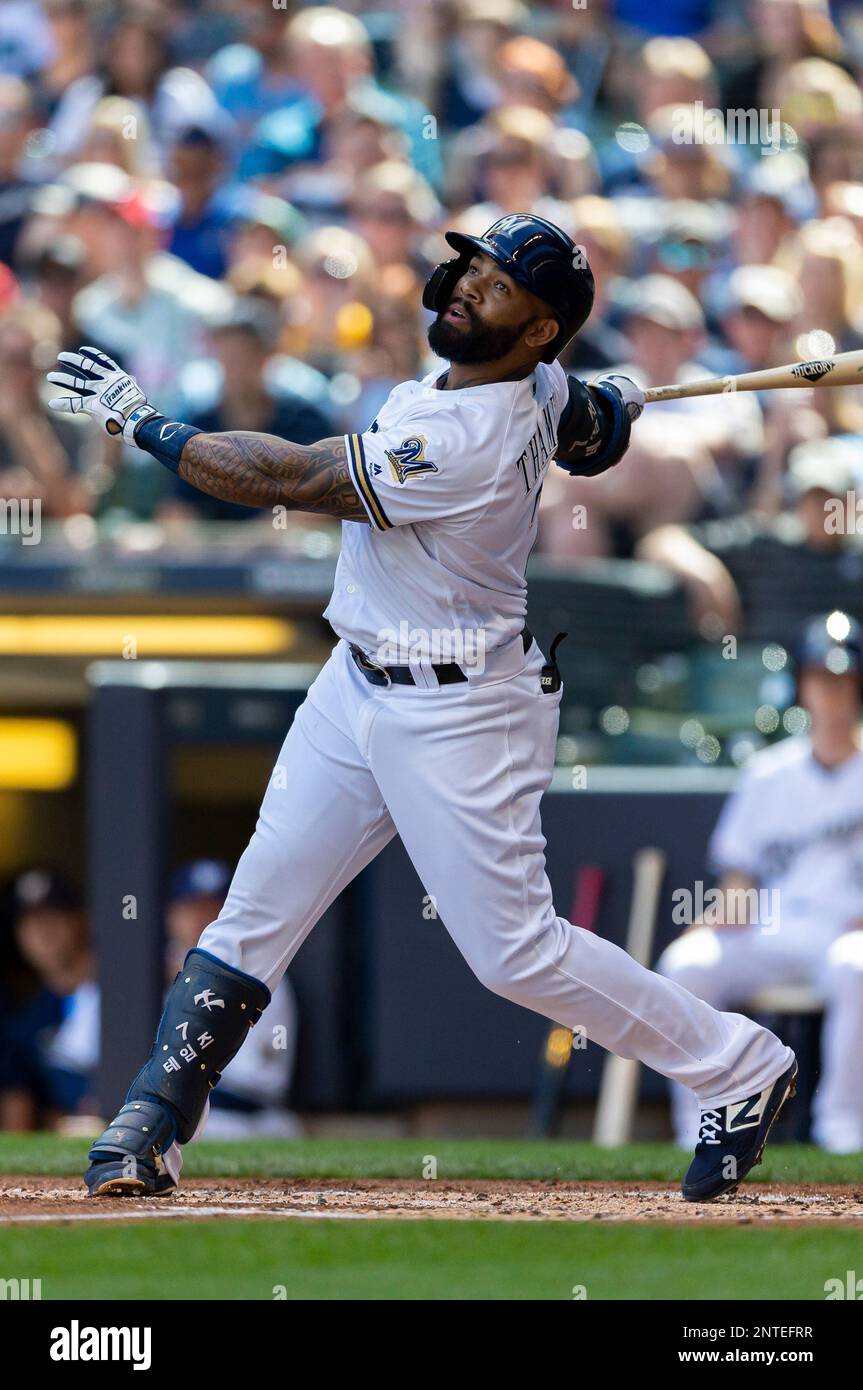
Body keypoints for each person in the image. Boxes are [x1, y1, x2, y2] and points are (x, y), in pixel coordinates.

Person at [46, 212, 796, 1204]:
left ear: (536, 331)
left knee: (514, 951)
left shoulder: (467, 433)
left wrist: (144, 425)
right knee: (258, 903)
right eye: (475, 267)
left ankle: (735, 1064)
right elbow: (585, 437)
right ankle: (152, 1117)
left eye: (495, 287)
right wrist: (597, 408)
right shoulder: (521, 380)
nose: (465, 287)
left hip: (459, 711)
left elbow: (280, 475)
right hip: (356, 678)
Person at [659, 613, 863, 1155]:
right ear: (801, 685)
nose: (831, 693)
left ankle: (843, 1129)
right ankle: (699, 1128)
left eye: (842, 680)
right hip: (774, 921)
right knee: (688, 962)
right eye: (821, 678)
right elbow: (739, 873)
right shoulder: (768, 772)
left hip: (844, 926)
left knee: (857, 964)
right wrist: (727, 905)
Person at [166, 861, 301, 1140]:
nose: (202, 918)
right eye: (191, 907)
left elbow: (251, 1085)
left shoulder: (264, 973)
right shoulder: (150, 974)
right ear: (171, 916)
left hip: (241, 1120)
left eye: (214, 907)